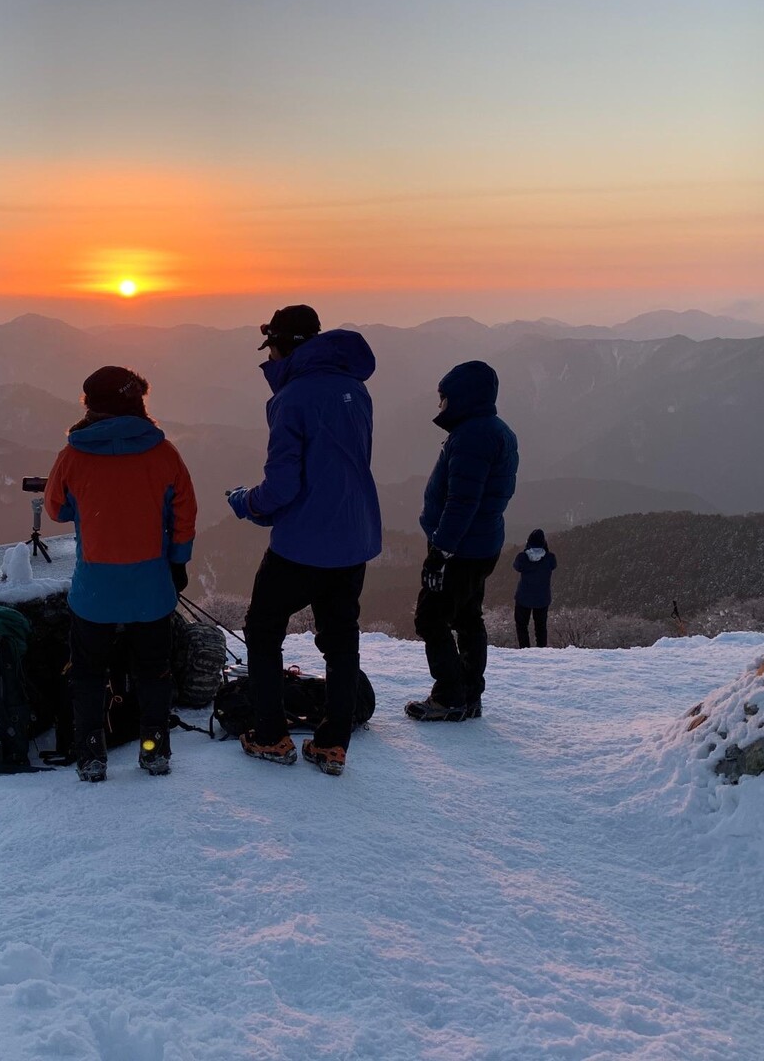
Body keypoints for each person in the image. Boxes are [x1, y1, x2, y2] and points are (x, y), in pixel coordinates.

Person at [227, 305, 382, 776]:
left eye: (270, 347)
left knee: (263, 628)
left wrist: (244, 502)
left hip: (303, 543)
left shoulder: (291, 399)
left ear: (283, 346)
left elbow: (283, 487)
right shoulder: (356, 390)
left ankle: (271, 735)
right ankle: (332, 743)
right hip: (353, 537)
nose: (268, 356)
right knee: (340, 637)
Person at [44, 367, 197, 782]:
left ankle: (91, 752)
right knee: (153, 669)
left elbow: (56, 509)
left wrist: (90, 509)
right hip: (151, 584)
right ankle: (153, 748)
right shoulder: (164, 454)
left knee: (89, 672)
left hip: (95, 588)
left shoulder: (72, 456)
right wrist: (178, 561)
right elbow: (185, 512)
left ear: (90, 405)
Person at [406, 361, 518, 722]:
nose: (440, 407)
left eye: (444, 399)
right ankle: (470, 693)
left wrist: (440, 550)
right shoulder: (494, 430)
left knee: (430, 618)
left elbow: (462, 502)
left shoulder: (472, 437)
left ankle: (450, 695)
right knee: (468, 616)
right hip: (482, 544)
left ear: (463, 398)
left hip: (460, 548)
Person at [512, 528, 557, 648]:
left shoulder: (522, 557)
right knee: (541, 626)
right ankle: (541, 650)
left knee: (521, 625)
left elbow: (516, 566)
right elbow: (553, 566)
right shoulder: (549, 558)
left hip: (523, 597)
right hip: (542, 598)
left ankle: (524, 649)